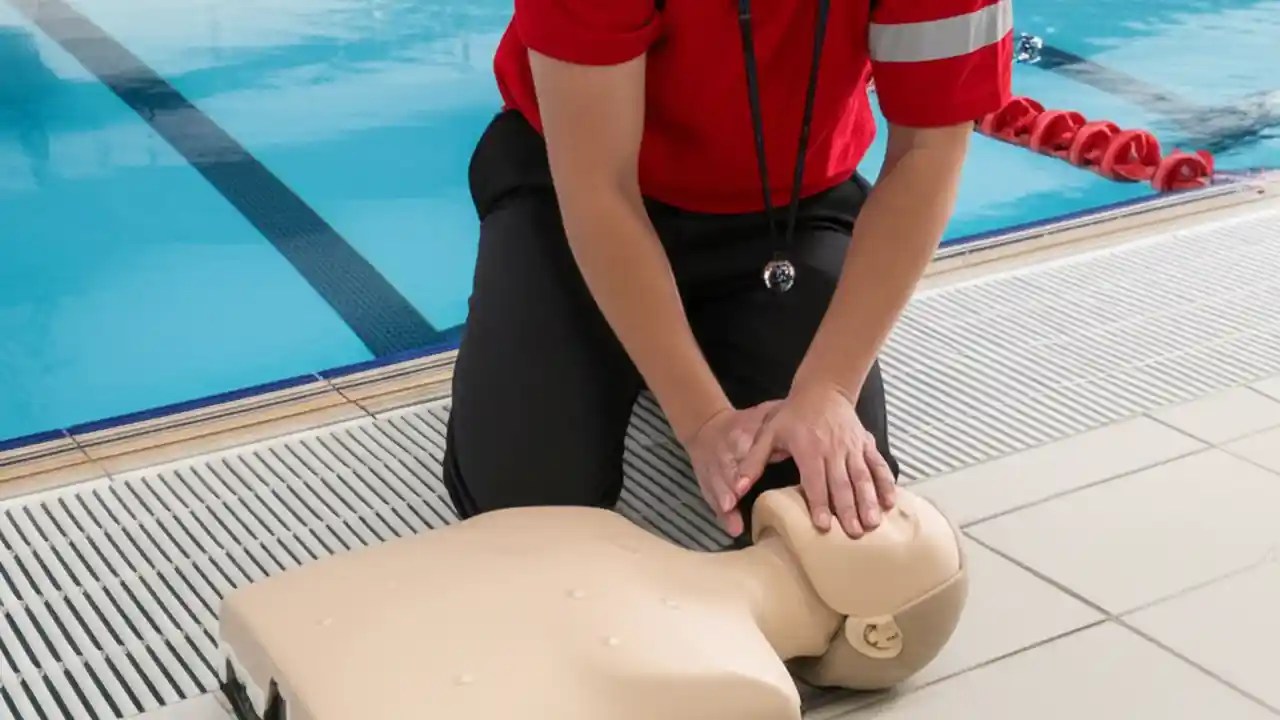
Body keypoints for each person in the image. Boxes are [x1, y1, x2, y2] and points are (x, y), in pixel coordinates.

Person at [442, 0, 1013, 543]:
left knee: (828, 506)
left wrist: (828, 388)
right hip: (569, 195)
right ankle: (634, 359)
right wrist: (702, 420)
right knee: (526, 507)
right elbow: (599, 187)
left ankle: (668, 352)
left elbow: (927, 154)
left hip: (788, 213)